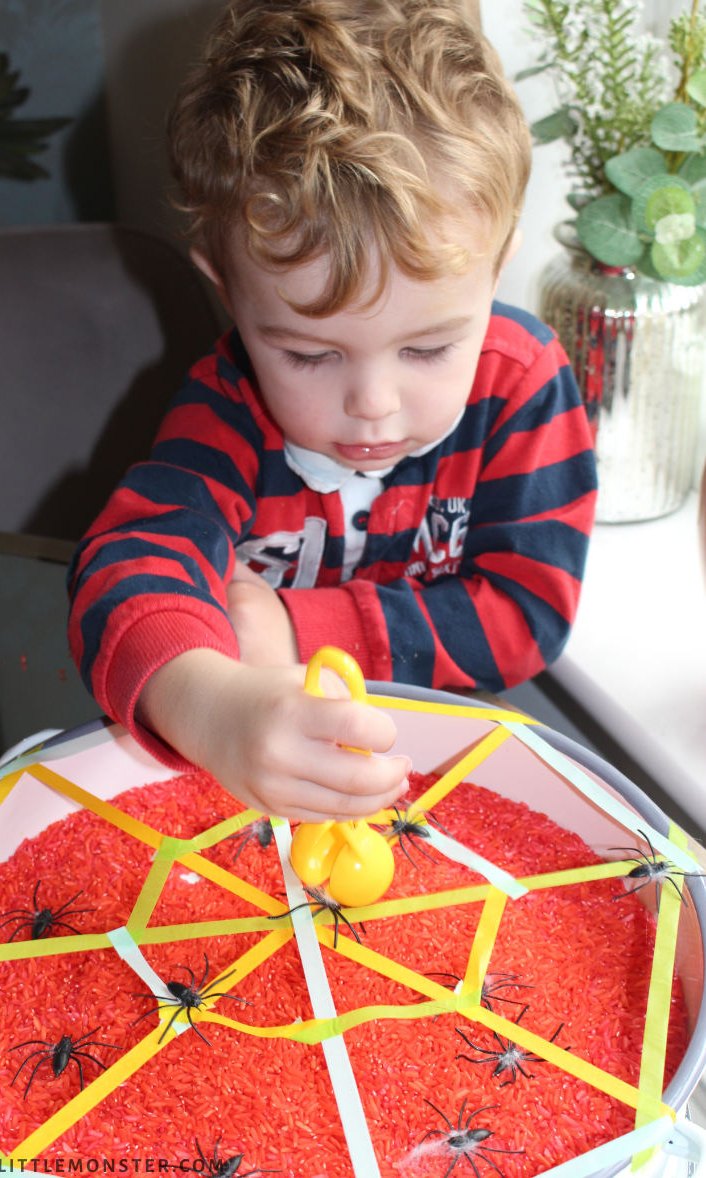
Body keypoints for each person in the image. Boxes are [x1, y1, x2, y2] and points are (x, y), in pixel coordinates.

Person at [67, 0, 596, 824]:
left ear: (497, 270)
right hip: (252, 777)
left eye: (427, 349)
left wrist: (297, 627)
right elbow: (128, 570)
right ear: (226, 289)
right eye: (310, 355)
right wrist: (214, 706)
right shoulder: (231, 404)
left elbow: (526, 612)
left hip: (430, 768)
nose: (374, 405)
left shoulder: (524, 386)